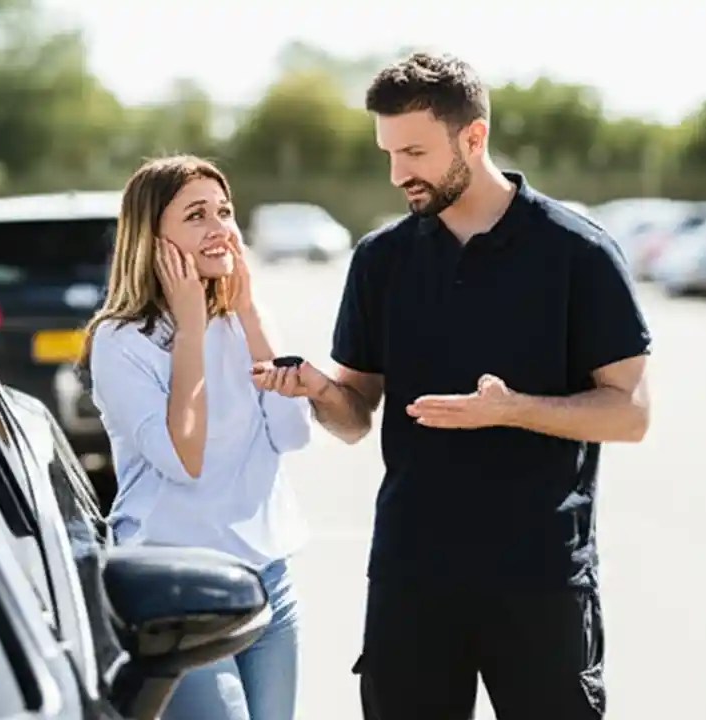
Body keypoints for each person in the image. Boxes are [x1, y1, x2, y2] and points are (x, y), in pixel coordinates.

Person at [252, 53, 652, 719]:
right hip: (412, 576)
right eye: (388, 152)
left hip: (540, 578)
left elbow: (630, 414)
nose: (397, 173)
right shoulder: (381, 260)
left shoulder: (577, 253)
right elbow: (355, 418)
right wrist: (321, 390)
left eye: (414, 151)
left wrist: (512, 410)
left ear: (474, 137)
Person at [81, 155, 310, 720]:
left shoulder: (240, 320)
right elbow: (185, 457)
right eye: (197, 215)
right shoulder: (120, 342)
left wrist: (252, 310)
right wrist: (189, 330)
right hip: (179, 595)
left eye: (225, 212)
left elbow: (293, 431)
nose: (220, 228)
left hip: (269, 585)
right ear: (152, 239)